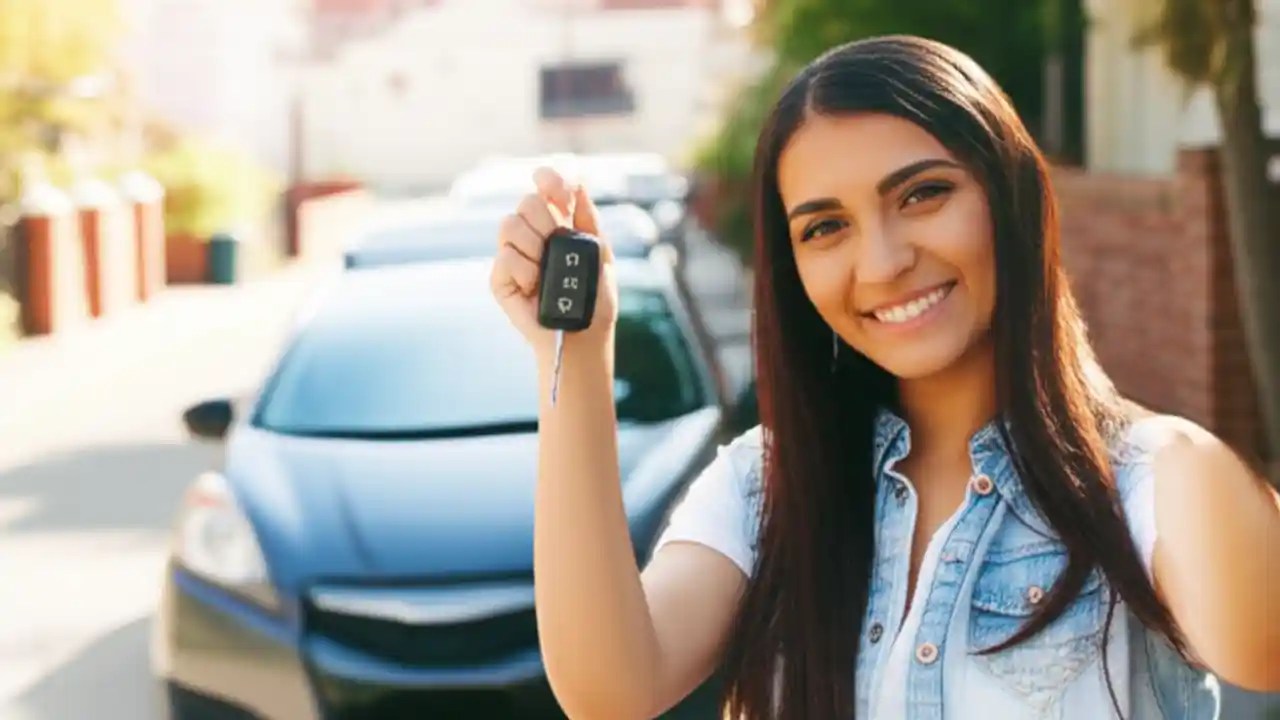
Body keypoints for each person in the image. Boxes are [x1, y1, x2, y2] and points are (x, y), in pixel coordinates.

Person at [488, 35, 1280, 720]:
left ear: (1010, 195)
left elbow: (1265, 644)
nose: (884, 261)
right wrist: (578, 358)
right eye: (826, 227)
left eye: (923, 194)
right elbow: (610, 691)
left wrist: (1189, 460)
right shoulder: (766, 487)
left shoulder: (1145, 480)